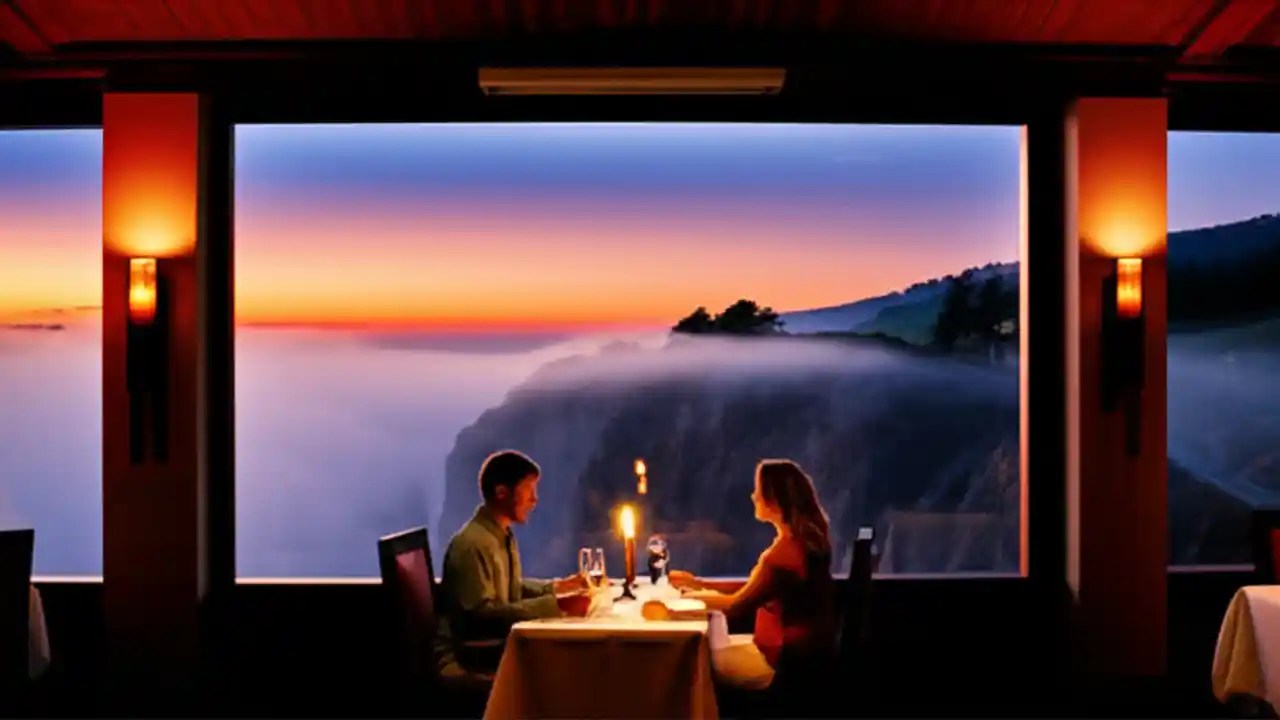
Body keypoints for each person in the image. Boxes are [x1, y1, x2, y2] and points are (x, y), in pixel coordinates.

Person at [669, 459, 837, 690]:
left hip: (778, 662)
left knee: (692, 664)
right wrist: (697, 584)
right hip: (802, 655)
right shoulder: (803, 543)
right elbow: (753, 590)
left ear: (775, 500)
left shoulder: (782, 556)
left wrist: (679, 602)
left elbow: (734, 605)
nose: (753, 496)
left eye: (758, 491)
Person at [435, 449, 591, 679]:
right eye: (528, 490)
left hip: (490, 648)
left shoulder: (500, 535)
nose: (534, 499)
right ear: (501, 493)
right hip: (471, 660)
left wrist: (558, 588)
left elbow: (512, 588)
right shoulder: (472, 546)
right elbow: (481, 619)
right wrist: (559, 606)